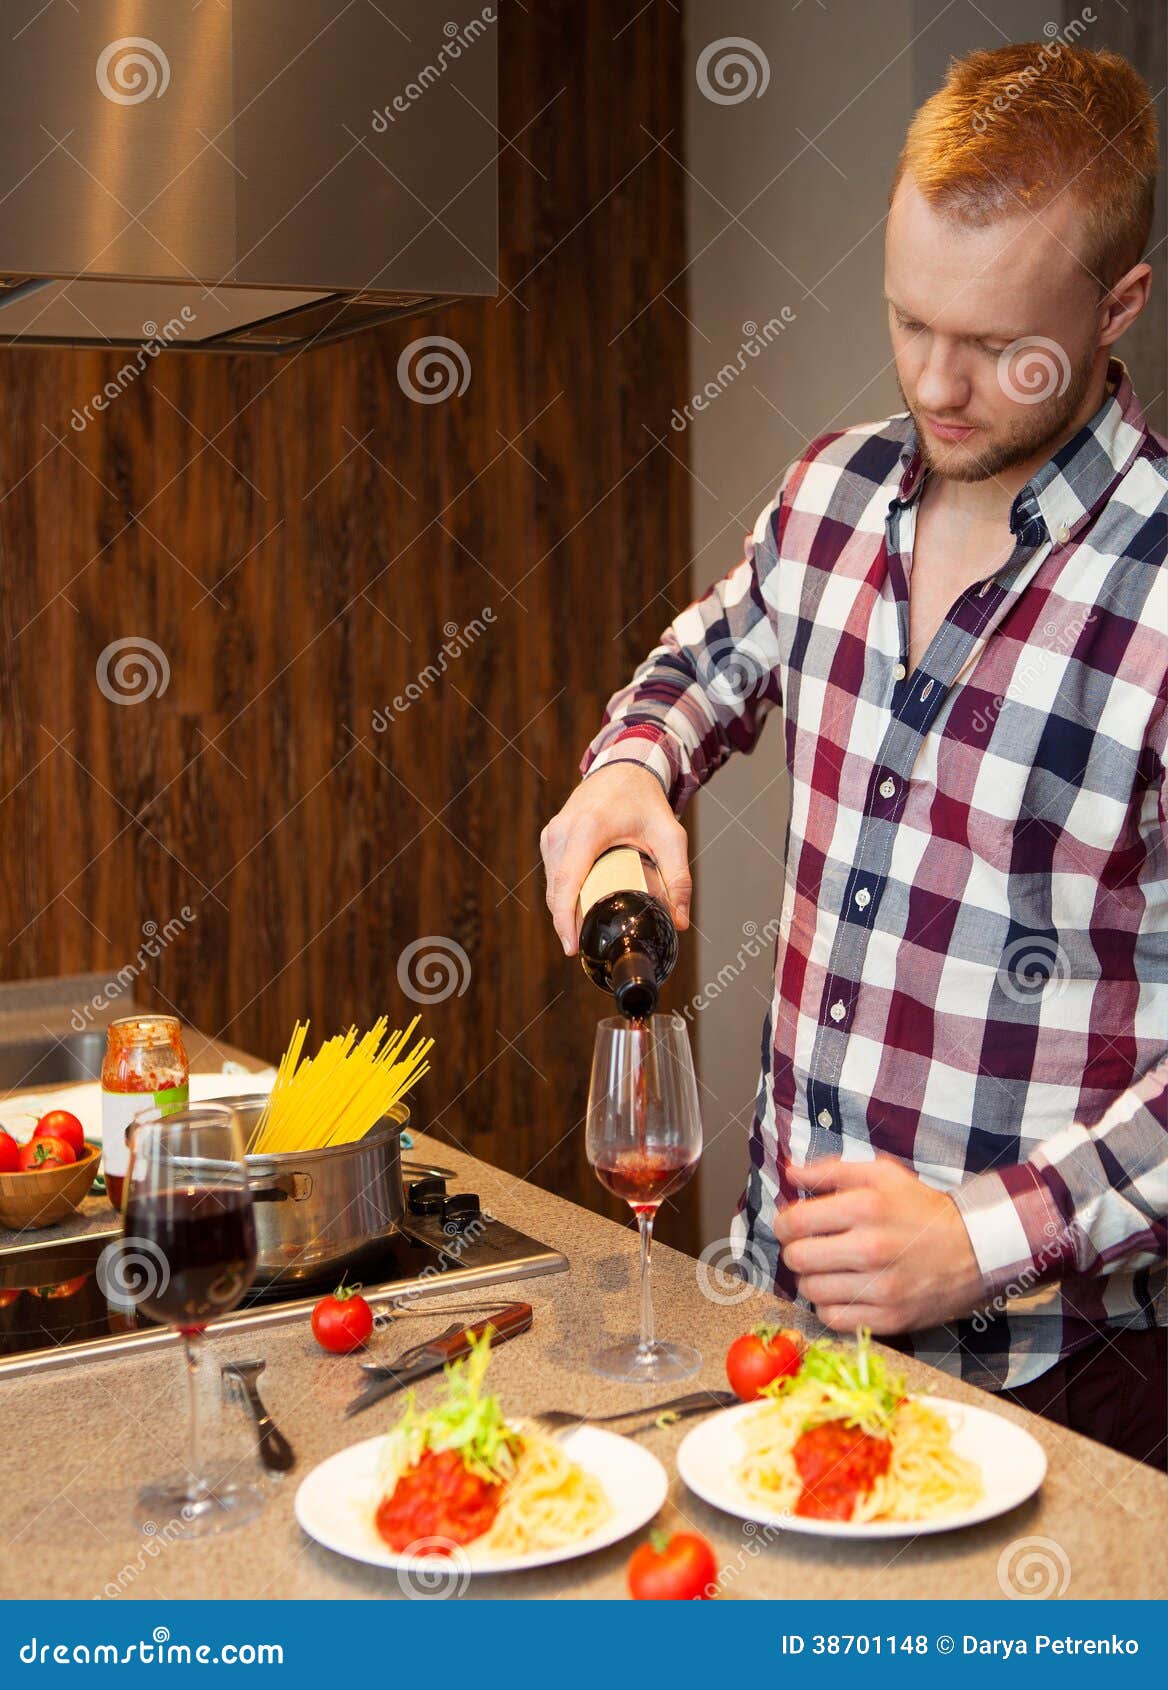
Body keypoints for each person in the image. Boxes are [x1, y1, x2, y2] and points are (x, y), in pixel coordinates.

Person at [540, 43, 1166, 1469]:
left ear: (1118, 302)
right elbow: (704, 665)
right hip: (789, 1336)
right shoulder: (833, 492)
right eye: (908, 321)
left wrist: (981, 1233)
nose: (937, 387)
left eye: (998, 346)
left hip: (1065, 1383)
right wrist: (631, 768)